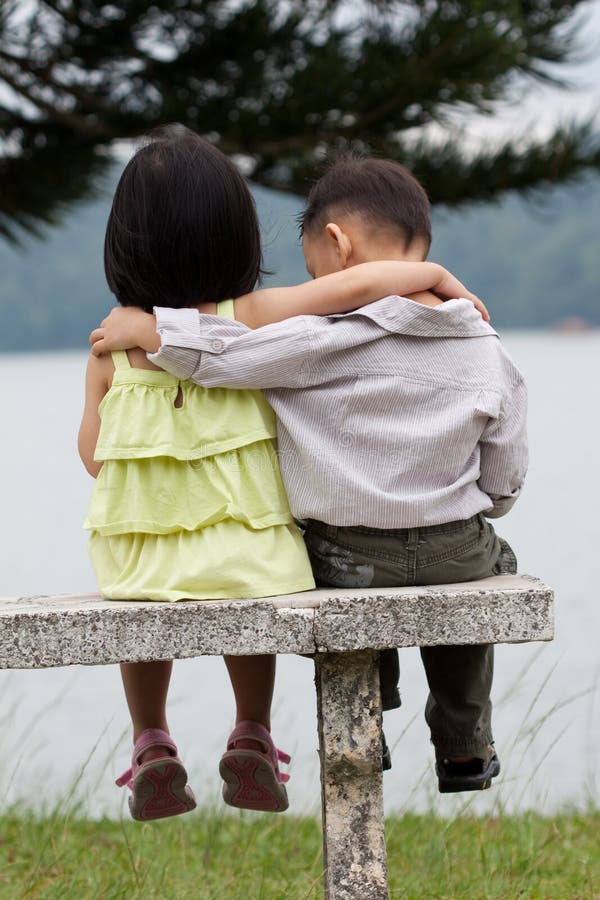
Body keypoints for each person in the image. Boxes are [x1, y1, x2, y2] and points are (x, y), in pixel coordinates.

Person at [79, 130, 486, 821]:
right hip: (250, 555)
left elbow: (93, 458)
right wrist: (436, 276)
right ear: (235, 238)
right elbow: (352, 285)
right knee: (256, 582)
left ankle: (151, 738)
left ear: (124, 243)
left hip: (140, 566)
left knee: (141, 606)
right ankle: (253, 731)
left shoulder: (111, 345)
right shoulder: (252, 318)